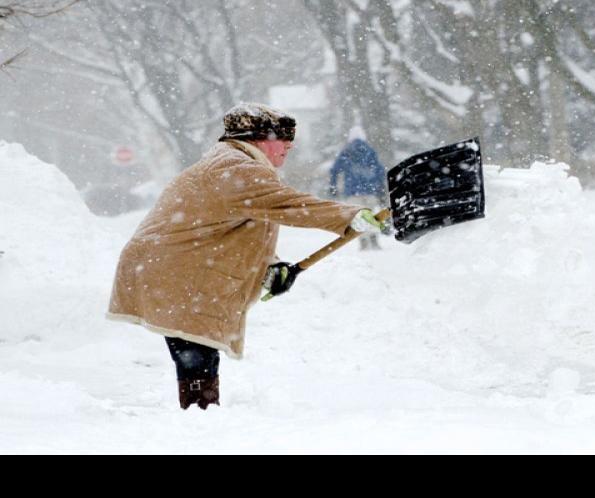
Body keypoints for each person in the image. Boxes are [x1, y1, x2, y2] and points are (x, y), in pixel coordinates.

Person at [108, 103, 386, 410]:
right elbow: (289, 205)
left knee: (198, 351)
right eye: (283, 138)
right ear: (258, 139)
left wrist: (273, 264)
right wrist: (350, 216)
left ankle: (199, 416)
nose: (290, 145)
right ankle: (199, 421)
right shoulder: (235, 169)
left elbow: (239, 228)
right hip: (175, 272)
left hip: (173, 267)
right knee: (196, 352)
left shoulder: (233, 164)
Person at [329, 127, 388, 250]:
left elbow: (335, 170)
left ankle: (363, 241)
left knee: (358, 217)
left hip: (352, 191)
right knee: (371, 215)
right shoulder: (370, 151)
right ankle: (373, 239)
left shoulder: (346, 152)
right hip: (370, 190)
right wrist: (381, 188)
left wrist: (333, 186)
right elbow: (380, 171)